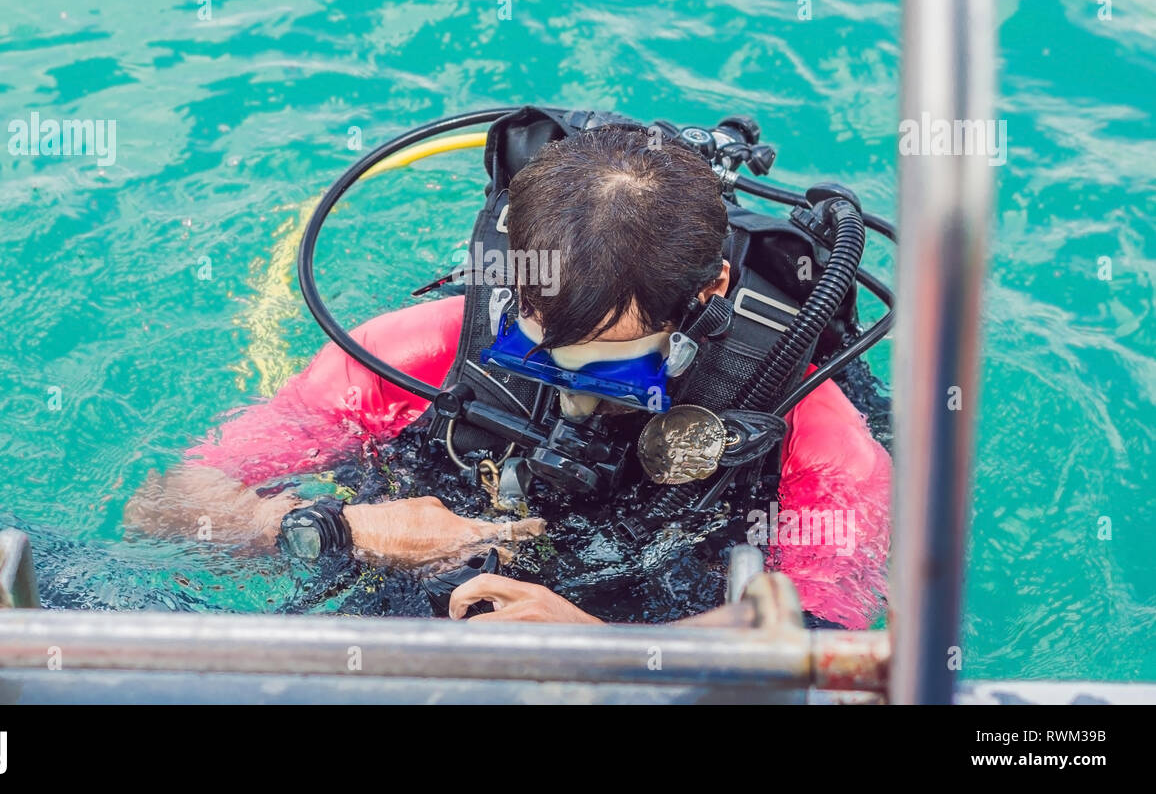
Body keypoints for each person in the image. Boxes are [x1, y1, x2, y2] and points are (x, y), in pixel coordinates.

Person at [127, 114, 890, 628]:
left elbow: (829, 652)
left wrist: (604, 650)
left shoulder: (803, 422)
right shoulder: (414, 350)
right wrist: (338, 527)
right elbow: (161, 509)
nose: (564, 382)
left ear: (708, 296)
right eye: (535, 339)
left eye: (604, 359)